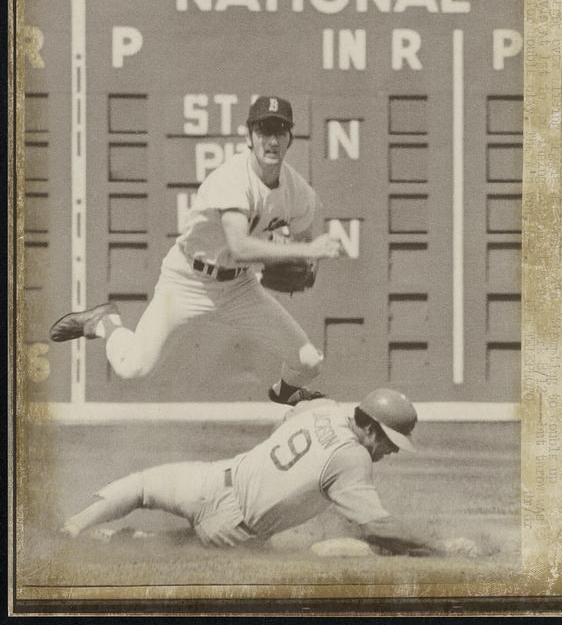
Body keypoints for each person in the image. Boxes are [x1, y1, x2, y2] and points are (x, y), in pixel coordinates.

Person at [50, 96, 342, 403]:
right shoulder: (232, 178)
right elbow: (240, 246)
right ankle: (105, 323)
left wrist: (307, 267)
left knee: (309, 362)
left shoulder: (298, 193)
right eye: (264, 131)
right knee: (132, 367)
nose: (271, 140)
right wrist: (306, 251)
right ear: (249, 137)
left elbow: (303, 243)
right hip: (187, 281)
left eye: (280, 131)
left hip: (239, 288)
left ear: (290, 139)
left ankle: (284, 394)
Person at [61, 388, 438, 555]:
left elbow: (288, 405)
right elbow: (378, 527)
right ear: (370, 427)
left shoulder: (325, 408)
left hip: (213, 479)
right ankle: (126, 541)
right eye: (390, 440)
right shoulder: (352, 458)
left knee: (140, 486)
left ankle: (73, 527)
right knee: (205, 548)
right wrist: (436, 550)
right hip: (235, 531)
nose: (391, 450)